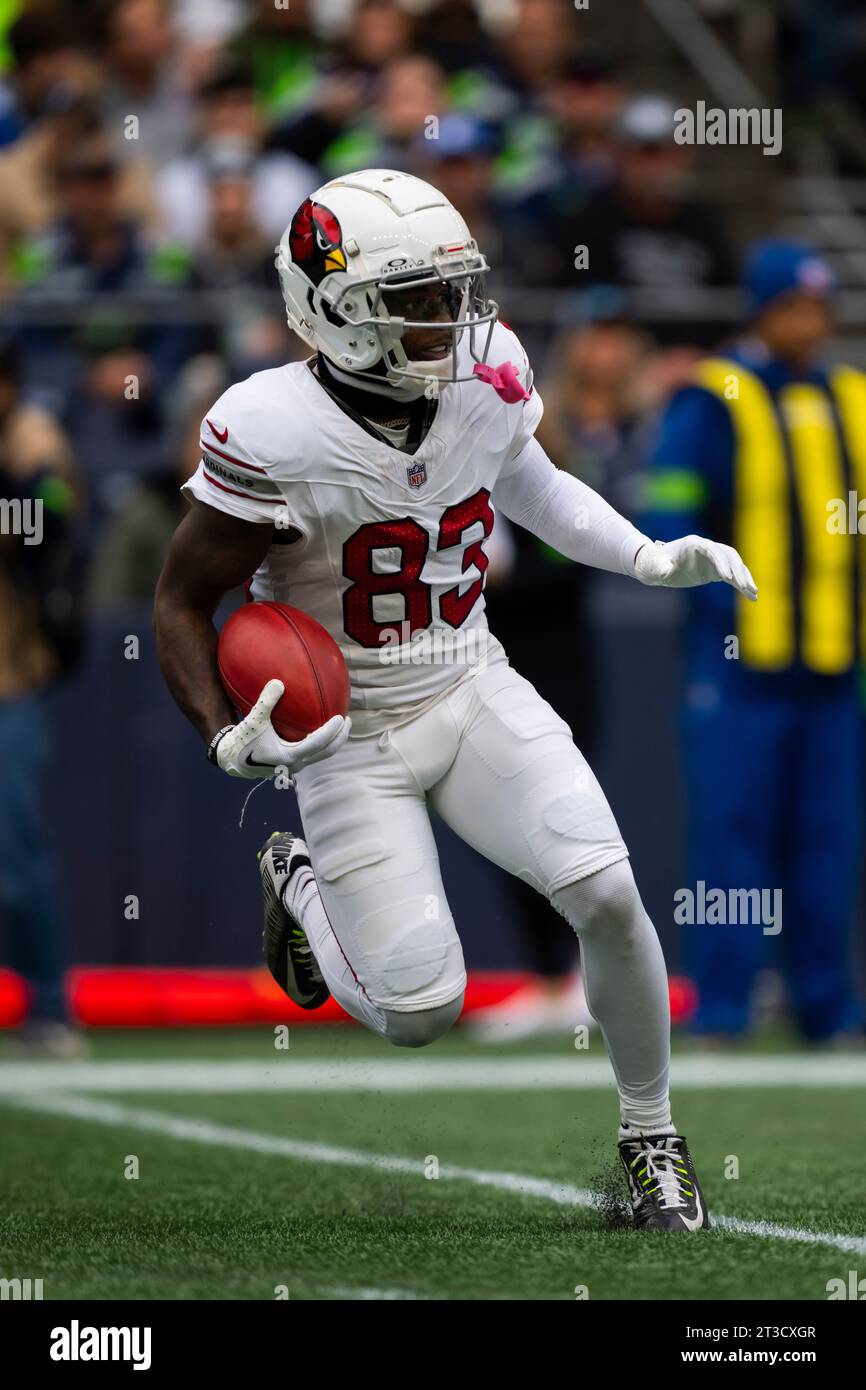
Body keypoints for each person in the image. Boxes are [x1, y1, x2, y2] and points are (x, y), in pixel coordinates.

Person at [154, 169, 757, 1231]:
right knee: (420, 1010)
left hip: (469, 675)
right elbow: (180, 600)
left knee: (608, 891)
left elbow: (528, 483)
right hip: (349, 731)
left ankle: (649, 1138)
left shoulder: (483, 370)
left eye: (447, 291)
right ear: (331, 310)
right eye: (413, 299)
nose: (445, 318)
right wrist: (218, 738)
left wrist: (644, 554)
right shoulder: (269, 428)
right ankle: (298, 888)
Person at [642, 238, 866, 1043]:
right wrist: (712, 609)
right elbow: (665, 511)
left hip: (836, 674)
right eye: (793, 306)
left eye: (819, 305)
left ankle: (827, 1007)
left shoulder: (853, 397)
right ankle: (727, 1006)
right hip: (740, 672)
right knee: (733, 843)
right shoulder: (714, 396)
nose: (810, 320)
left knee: (828, 848)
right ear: (763, 311)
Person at [0, 340, 84, 1056]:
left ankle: (51, 1004)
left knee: (15, 858)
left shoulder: (32, 438)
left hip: (9, 681)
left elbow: (46, 524)